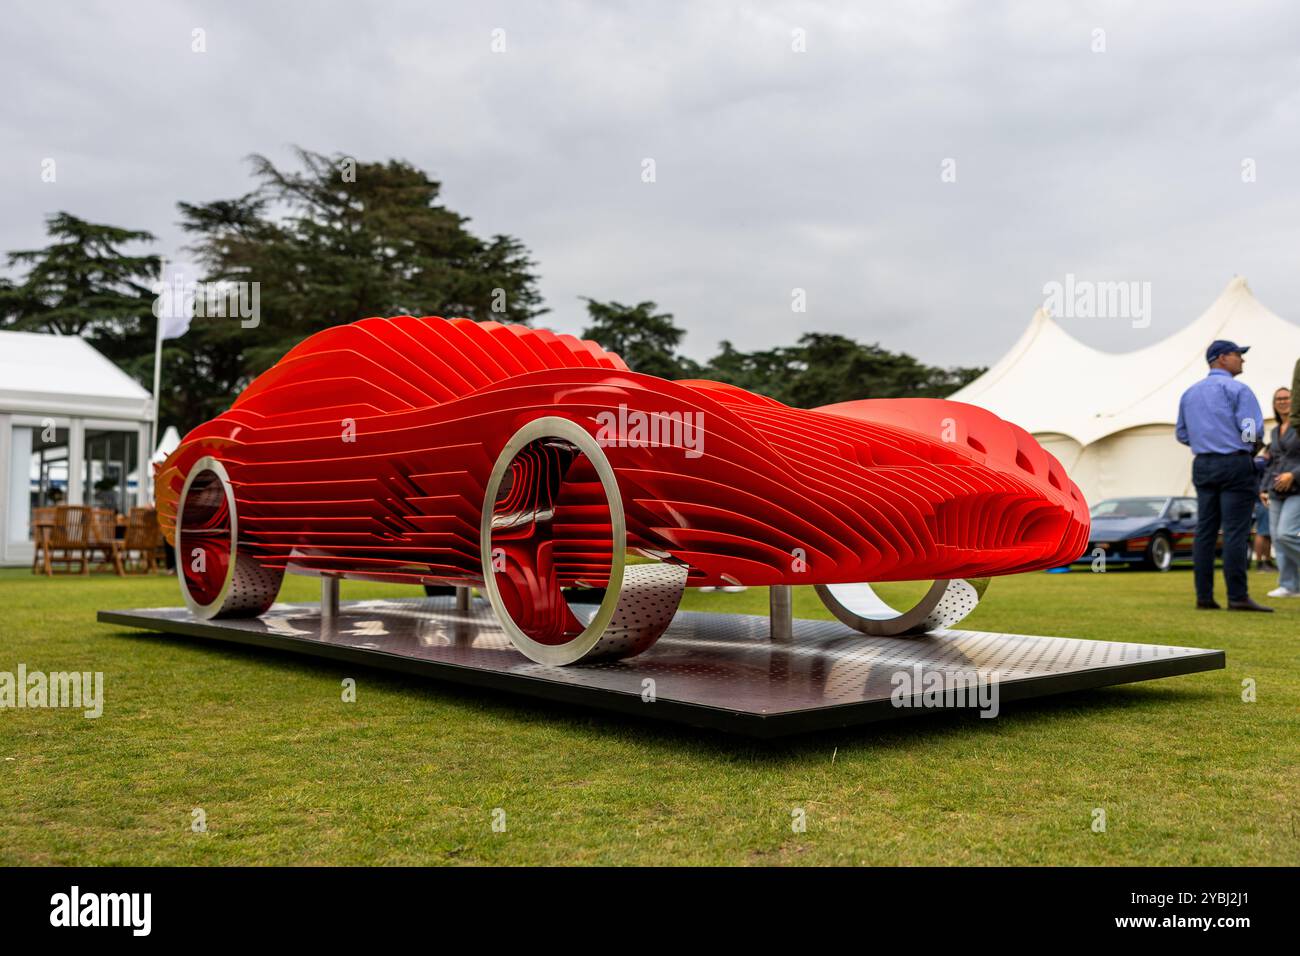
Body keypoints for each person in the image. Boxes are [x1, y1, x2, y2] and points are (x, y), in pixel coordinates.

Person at [1175, 340, 1271, 611]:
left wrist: (1207, 442)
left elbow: (1182, 434)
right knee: (1235, 532)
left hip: (1203, 463)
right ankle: (1237, 597)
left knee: (1205, 532)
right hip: (1234, 464)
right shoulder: (1238, 389)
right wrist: (1252, 453)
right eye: (1238, 355)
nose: (1242, 360)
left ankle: (1204, 597)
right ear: (1221, 358)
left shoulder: (1189, 393)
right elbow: (1251, 429)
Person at [1261, 387, 1292, 594]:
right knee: (1277, 538)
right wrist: (1262, 487)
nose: (1282, 402)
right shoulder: (1273, 431)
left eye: (1286, 398)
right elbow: (1271, 464)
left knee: (1286, 534)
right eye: (1278, 399)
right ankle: (1288, 585)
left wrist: (1293, 475)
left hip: (1296, 487)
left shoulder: (1298, 427)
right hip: (1275, 489)